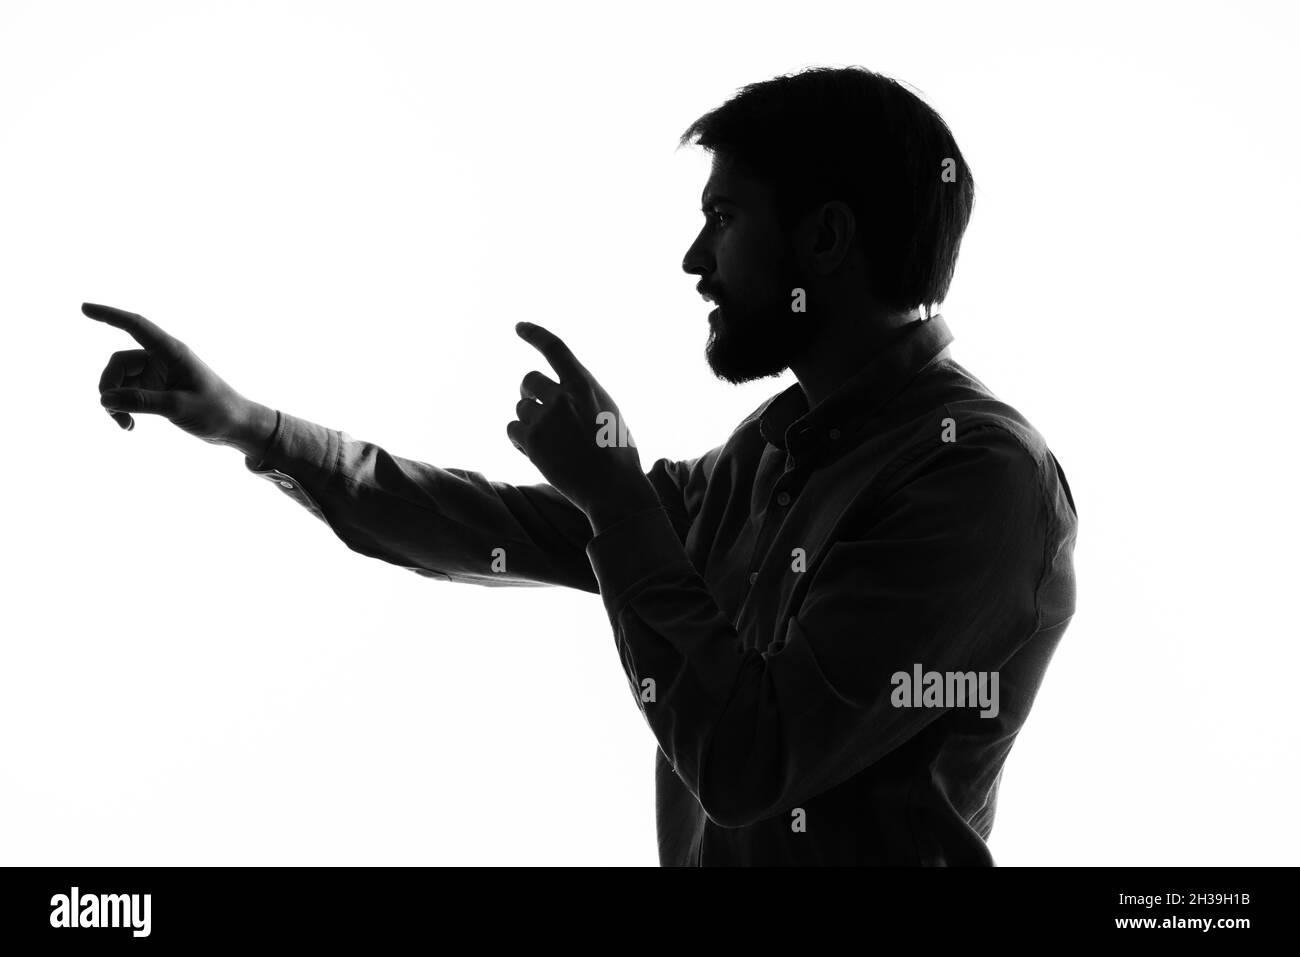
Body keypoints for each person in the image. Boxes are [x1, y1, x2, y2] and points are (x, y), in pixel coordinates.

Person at [87, 66, 1077, 866]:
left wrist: (610, 493)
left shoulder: (977, 479)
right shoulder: (767, 457)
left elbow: (752, 760)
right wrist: (246, 423)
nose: (695, 259)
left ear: (823, 239)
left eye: (725, 217)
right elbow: (507, 532)